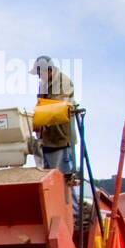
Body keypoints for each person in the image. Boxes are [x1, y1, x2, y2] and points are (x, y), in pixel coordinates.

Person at [30, 55, 80, 218]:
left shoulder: (63, 83)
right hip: (47, 139)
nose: (39, 77)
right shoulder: (43, 85)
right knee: (50, 180)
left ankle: (73, 215)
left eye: (40, 73)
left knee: (64, 180)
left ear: (49, 70)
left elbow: (57, 108)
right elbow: (41, 106)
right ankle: (54, 214)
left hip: (61, 139)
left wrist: (38, 117)